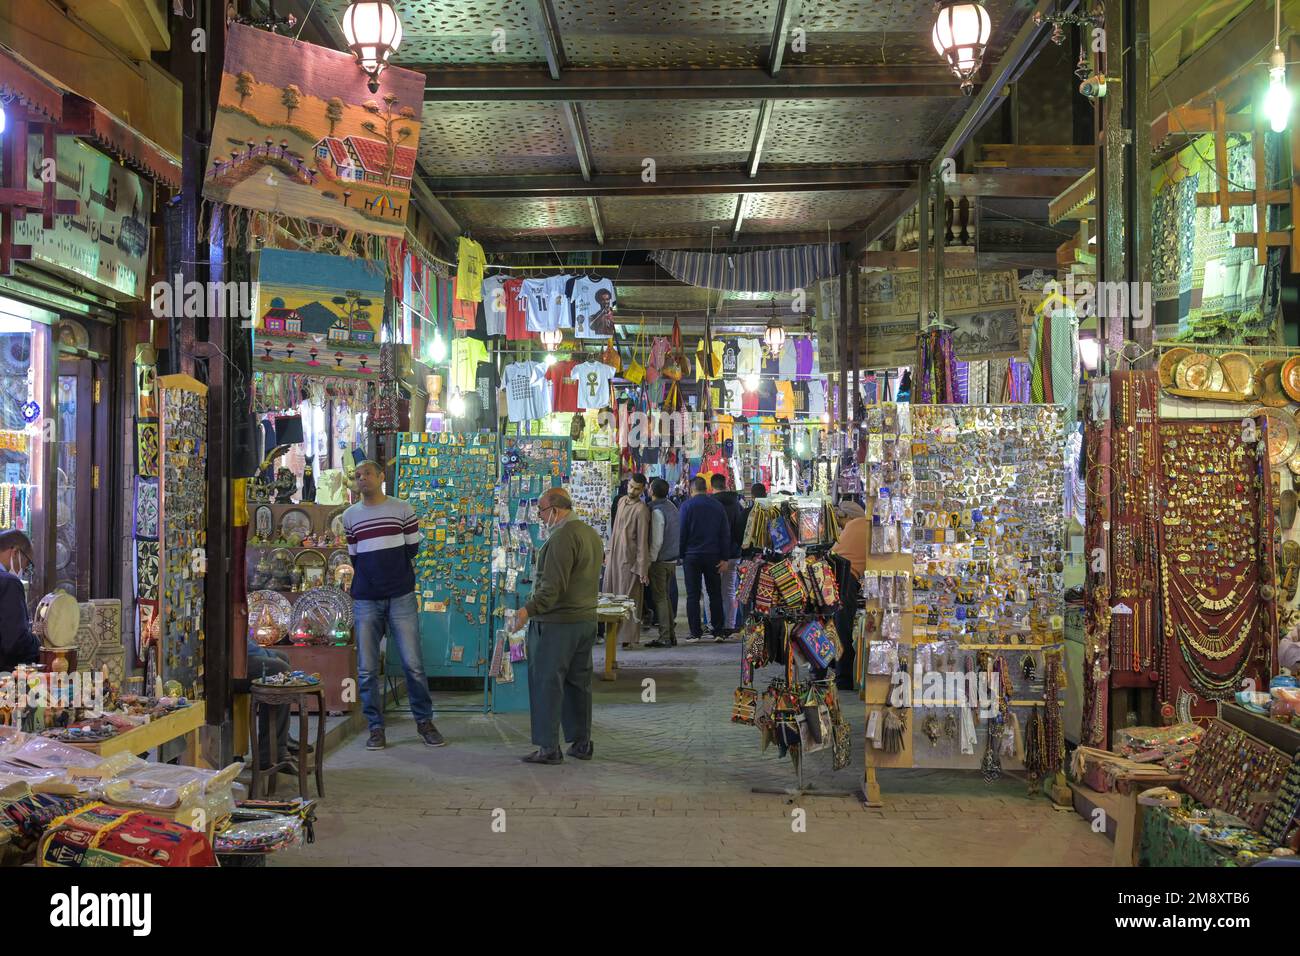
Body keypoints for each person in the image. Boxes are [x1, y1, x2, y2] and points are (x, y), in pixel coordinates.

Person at [343, 460, 445, 751]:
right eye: (358, 475)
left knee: (413, 665)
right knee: (366, 669)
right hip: (365, 598)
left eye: (367, 474)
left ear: (381, 477)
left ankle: (424, 722)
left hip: (400, 595)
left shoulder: (402, 509)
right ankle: (375, 728)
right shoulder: (350, 516)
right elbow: (355, 555)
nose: (362, 479)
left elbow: (412, 548)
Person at [510, 488, 604, 764]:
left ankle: (548, 747)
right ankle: (581, 741)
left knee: (546, 684)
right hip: (585, 620)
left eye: (541, 511)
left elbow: (552, 588)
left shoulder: (563, 538)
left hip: (557, 624)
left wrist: (527, 610)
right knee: (579, 683)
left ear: (555, 509)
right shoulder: (589, 533)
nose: (539, 517)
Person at [678, 475, 731, 643]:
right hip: (713, 556)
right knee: (714, 594)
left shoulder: (686, 506)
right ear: (706, 489)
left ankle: (695, 632)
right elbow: (725, 533)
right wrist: (725, 557)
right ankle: (718, 631)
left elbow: (682, 532)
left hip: (692, 556)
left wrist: (680, 554)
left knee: (693, 595)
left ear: (692, 489)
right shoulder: (717, 506)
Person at [604, 473, 650, 643]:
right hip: (614, 556)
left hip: (630, 562)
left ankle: (627, 638)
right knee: (612, 596)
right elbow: (615, 529)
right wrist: (608, 552)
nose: (632, 491)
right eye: (631, 486)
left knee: (628, 599)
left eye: (637, 488)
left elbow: (642, 542)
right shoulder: (622, 501)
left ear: (642, 489)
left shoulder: (642, 510)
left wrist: (642, 568)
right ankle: (612, 636)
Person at [644, 478, 680, 648]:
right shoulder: (672, 507)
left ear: (652, 491)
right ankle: (670, 635)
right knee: (665, 597)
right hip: (672, 559)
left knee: (659, 598)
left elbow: (657, 540)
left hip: (660, 560)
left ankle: (664, 636)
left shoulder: (657, 511)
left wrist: (650, 560)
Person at [710, 473, 744, 636]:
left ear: (712, 486)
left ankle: (713, 624)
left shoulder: (711, 504)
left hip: (714, 554)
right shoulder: (737, 504)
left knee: (711, 590)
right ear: (726, 484)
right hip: (734, 553)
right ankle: (730, 624)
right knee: (730, 590)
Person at [0, 531, 37, 671]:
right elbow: (15, 641)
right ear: (15, 552)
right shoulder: (9, 582)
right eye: (27, 562)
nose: (24, 569)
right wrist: (36, 641)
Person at [830, 500, 868, 577]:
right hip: (852, 576)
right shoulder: (864, 525)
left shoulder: (853, 525)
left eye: (840, 523)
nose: (841, 528)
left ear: (848, 516)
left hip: (844, 576)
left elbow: (833, 553)